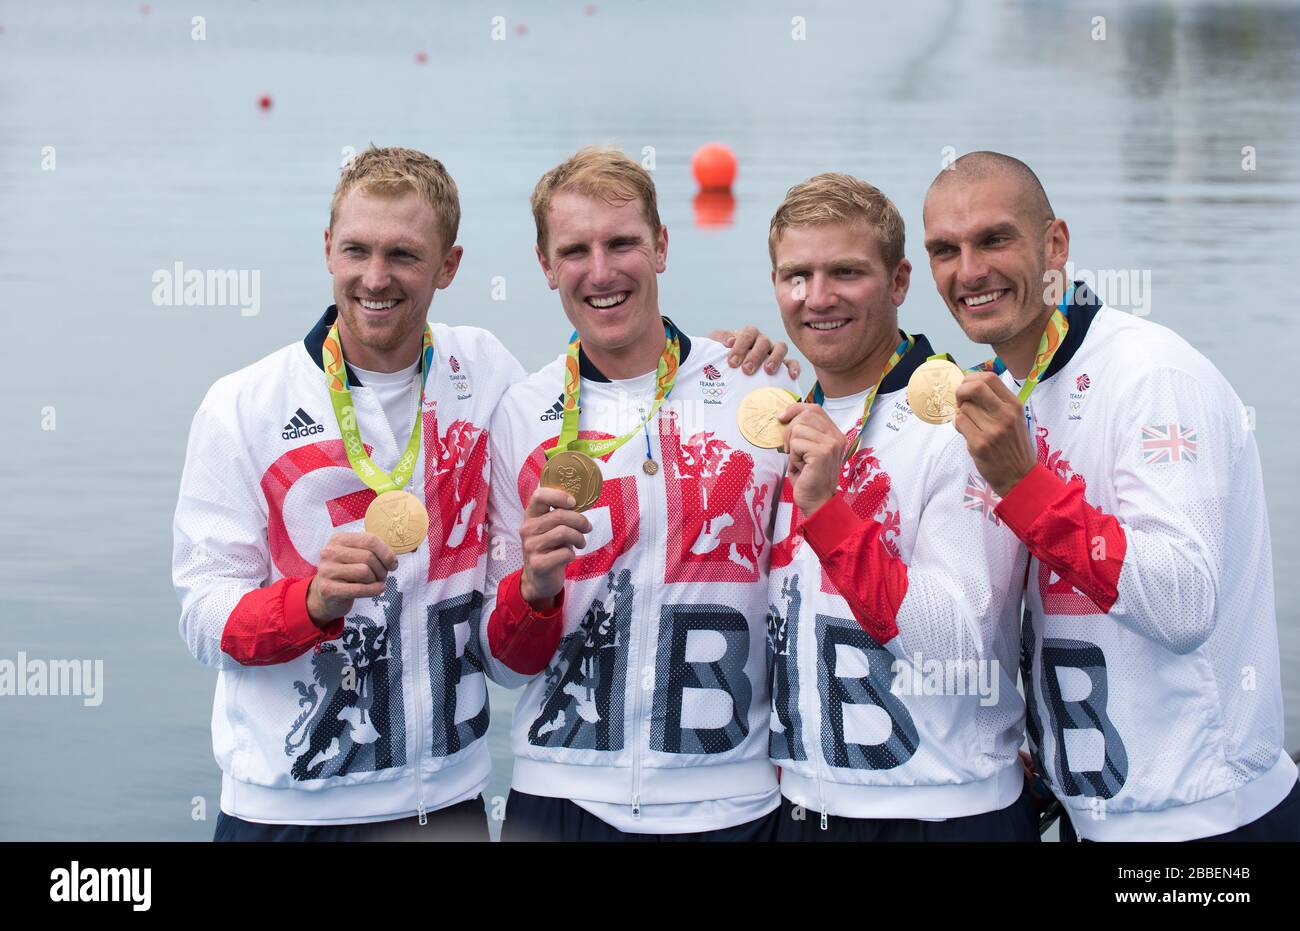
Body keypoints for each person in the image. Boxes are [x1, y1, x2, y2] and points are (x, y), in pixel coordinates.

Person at [172, 145, 786, 841]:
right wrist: (309, 602)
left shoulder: (489, 377)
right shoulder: (243, 406)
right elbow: (203, 617)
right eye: (357, 250)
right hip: (285, 809)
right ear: (327, 250)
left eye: (403, 255)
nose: (376, 278)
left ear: (449, 265)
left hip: (444, 806)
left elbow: (615, 374)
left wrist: (727, 360)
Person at [923, 150, 1300, 841]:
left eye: (994, 239)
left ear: (1055, 244)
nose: (968, 271)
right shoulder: (1001, 389)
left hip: (1203, 824)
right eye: (945, 250)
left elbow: (1184, 601)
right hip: (1088, 813)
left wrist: (1025, 487)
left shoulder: (1153, 375)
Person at [480, 146, 799, 841]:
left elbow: (801, 607)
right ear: (544, 265)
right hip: (560, 800)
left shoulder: (755, 392)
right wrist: (533, 591)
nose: (601, 271)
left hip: (732, 806)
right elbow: (501, 665)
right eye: (575, 250)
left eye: (622, 242)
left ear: (660, 246)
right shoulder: (519, 413)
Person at [765, 173, 1035, 841]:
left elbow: (957, 645)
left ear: (899, 281)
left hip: (941, 810)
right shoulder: (783, 415)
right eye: (795, 274)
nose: (817, 297)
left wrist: (828, 510)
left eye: (846, 272)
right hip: (802, 808)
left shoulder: (964, 420)